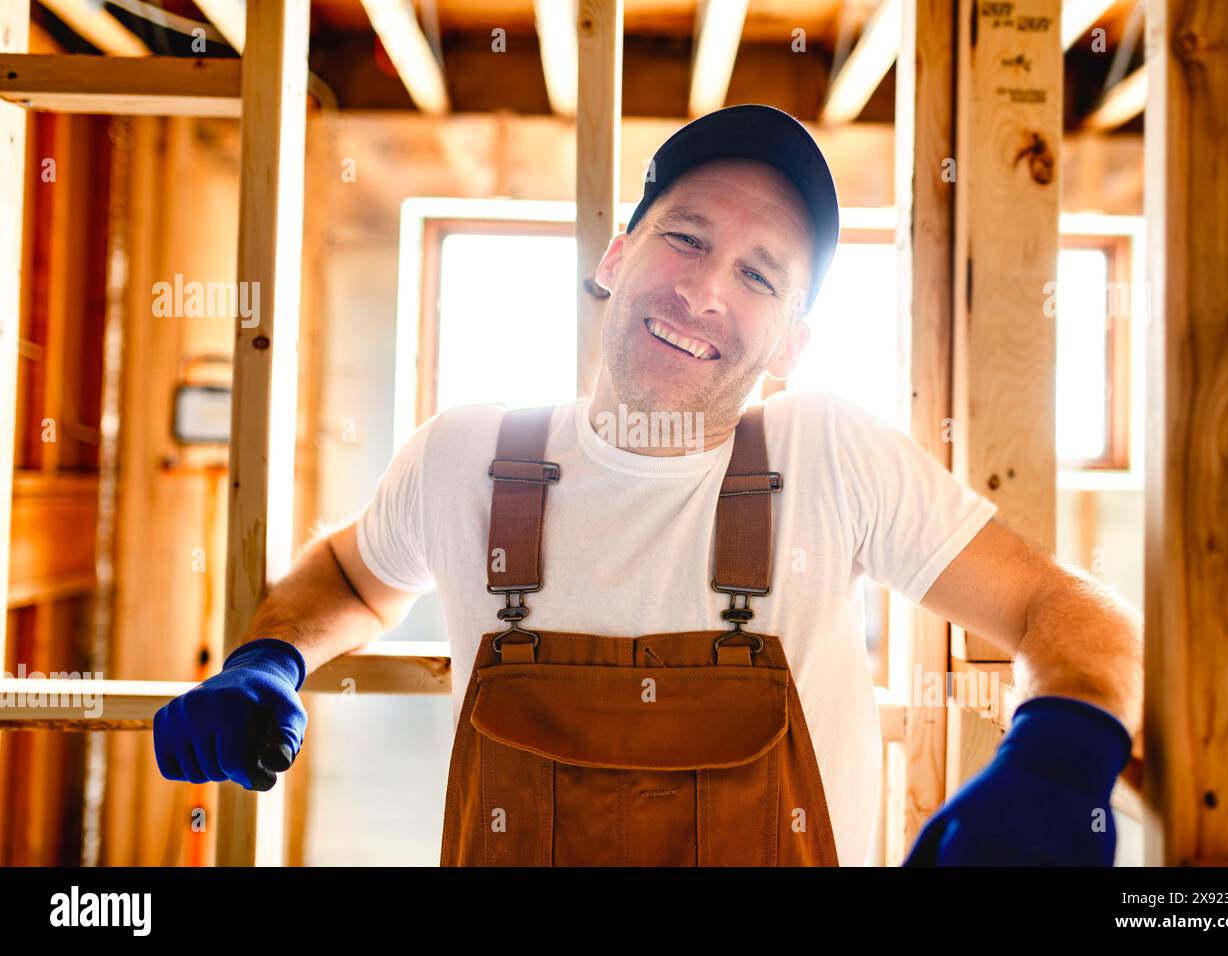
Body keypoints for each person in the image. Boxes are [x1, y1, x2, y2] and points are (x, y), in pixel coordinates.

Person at [153, 104, 1143, 867]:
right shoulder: (465, 455)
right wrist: (268, 657)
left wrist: (1059, 749)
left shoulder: (831, 455)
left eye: (760, 277)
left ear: (792, 344)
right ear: (617, 256)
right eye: (686, 237)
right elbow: (352, 576)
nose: (706, 289)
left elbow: (1063, 606)